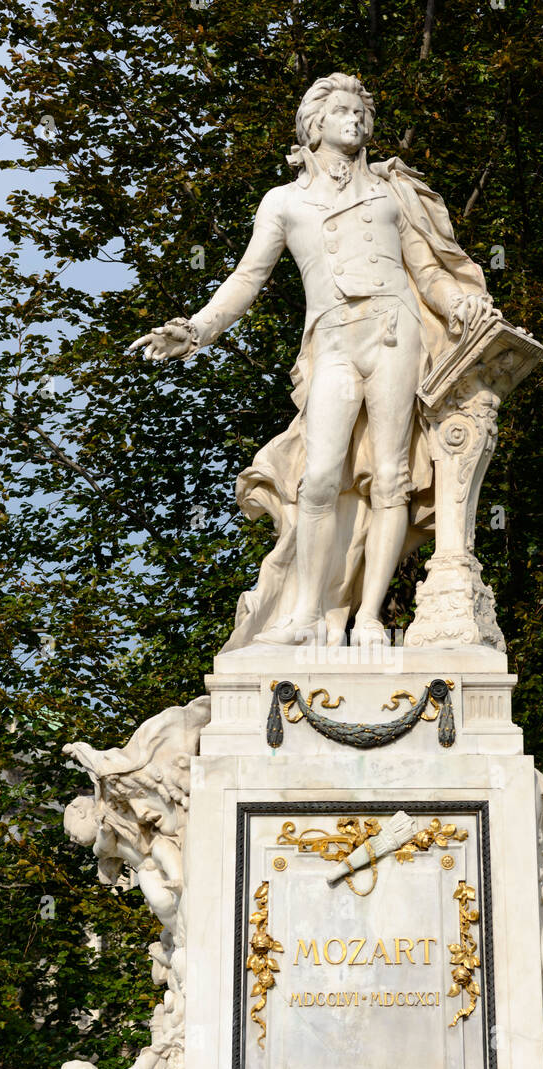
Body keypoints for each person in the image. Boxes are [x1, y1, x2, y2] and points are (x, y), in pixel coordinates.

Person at [131, 72, 497, 649]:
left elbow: (427, 273)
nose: (355, 120)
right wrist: (196, 329)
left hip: (395, 333)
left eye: (360, 112)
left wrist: (463, 305)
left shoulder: (391, 191)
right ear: (315, 123)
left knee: (394, 479)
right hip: (331, 341)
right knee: (320, 477)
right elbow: (247, 277)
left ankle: (371, 617)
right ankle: (304, 615)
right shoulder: (285, 202)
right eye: (343, 112)